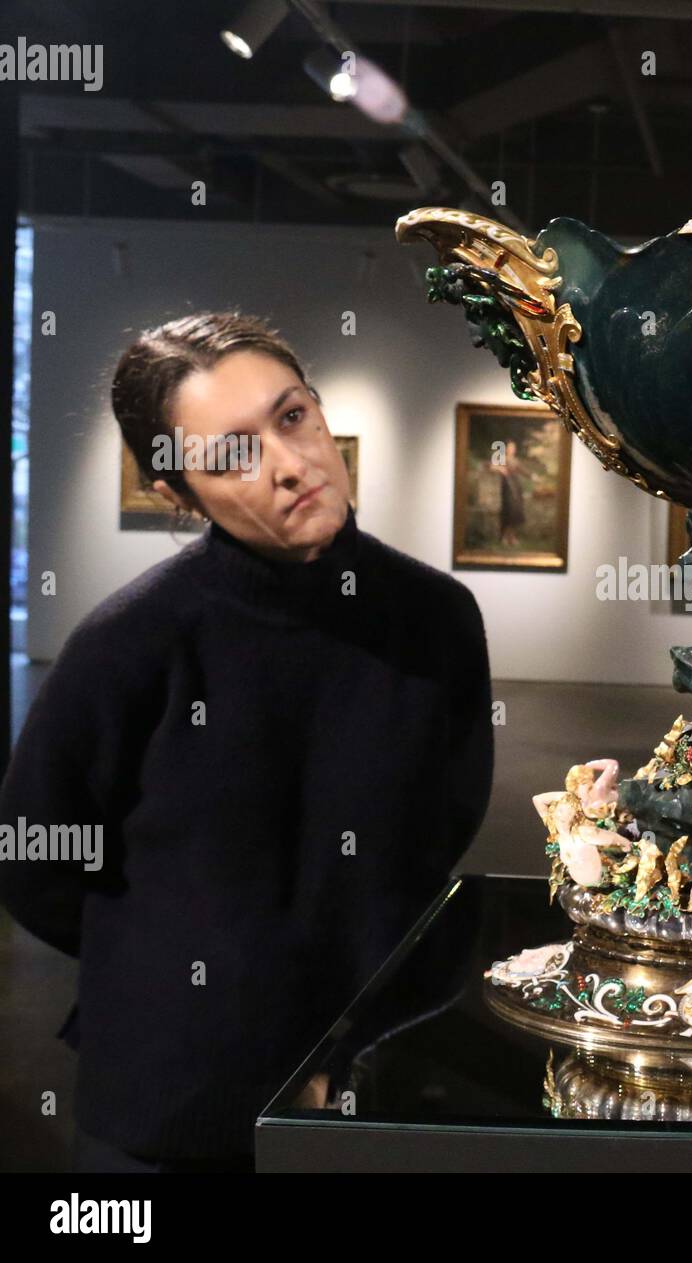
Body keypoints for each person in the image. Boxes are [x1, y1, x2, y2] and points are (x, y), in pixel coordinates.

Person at [0, 312, 494, 1172]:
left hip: (376, 1090)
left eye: (293, 415)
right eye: (231, 453)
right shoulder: (129, 644)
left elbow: (445, 820)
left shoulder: (438, 618)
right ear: (176, 492)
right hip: (169, 1106)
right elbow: (35, 858)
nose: (289, 463)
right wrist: (167, 964)